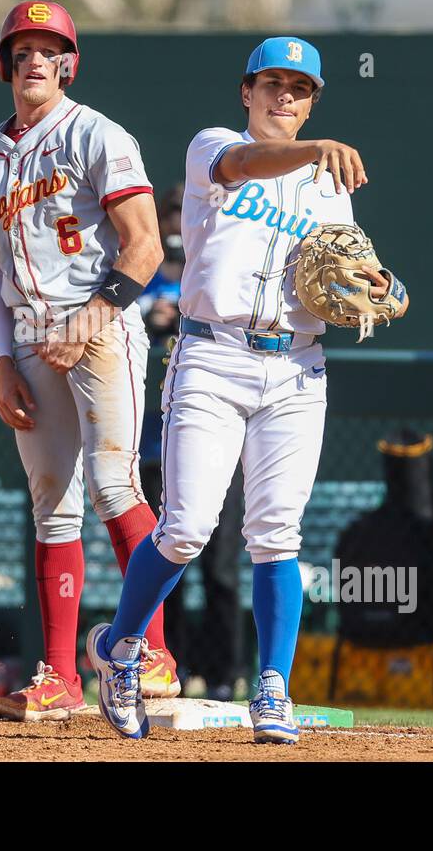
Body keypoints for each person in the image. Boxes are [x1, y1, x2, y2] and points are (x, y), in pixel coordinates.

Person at [86, 36, 406, 742]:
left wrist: (381, 287)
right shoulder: (214, 146)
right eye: (272, 84)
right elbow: (246, 164)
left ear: (313, 97)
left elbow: (350, 268)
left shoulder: (328, 186)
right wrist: (315, 147)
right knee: (186, 529)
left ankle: (273, 687)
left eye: (299, 88)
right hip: (213, 356)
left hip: (296, 367)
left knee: (276, 535)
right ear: (247, 91)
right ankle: (121, 649)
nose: (284, 98)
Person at [0, 0, 176, 722]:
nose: (36, 62)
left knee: (115, 484)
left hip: (101, 325)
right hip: (27, 335)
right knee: (52, 503)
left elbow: (145, 246)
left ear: (70, 63)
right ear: (5, 65)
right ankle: (59, 678)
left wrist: (98, 313)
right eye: (23, 51)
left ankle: (153, 655)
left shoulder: (98, 134)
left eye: (50, 51)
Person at [138, 183, 244, 700]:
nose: (181, 227)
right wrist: (149, 319)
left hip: (223, 440)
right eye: (173, 215)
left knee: (221, 568)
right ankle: (167, 665)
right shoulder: (141, 278)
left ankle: (225, 674)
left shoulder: (219, 272)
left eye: (188, 214)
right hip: (157, 445)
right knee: (170, 555)